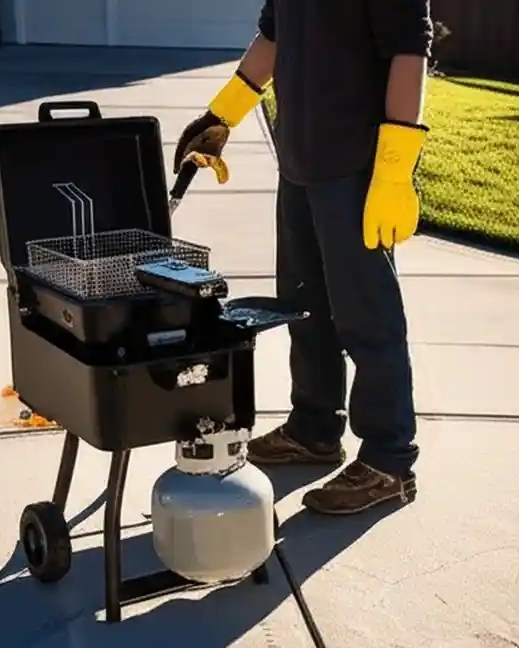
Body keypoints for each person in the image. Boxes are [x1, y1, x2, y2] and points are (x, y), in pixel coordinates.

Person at [173, 0, 433, 515]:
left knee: (367, 315)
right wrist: (222, 113)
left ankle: (389, 460)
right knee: (304, 308)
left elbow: (410, 52)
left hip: (357, 169)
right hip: (299, 162)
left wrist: (395, 170)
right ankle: (314, 429)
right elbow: (274, 35)